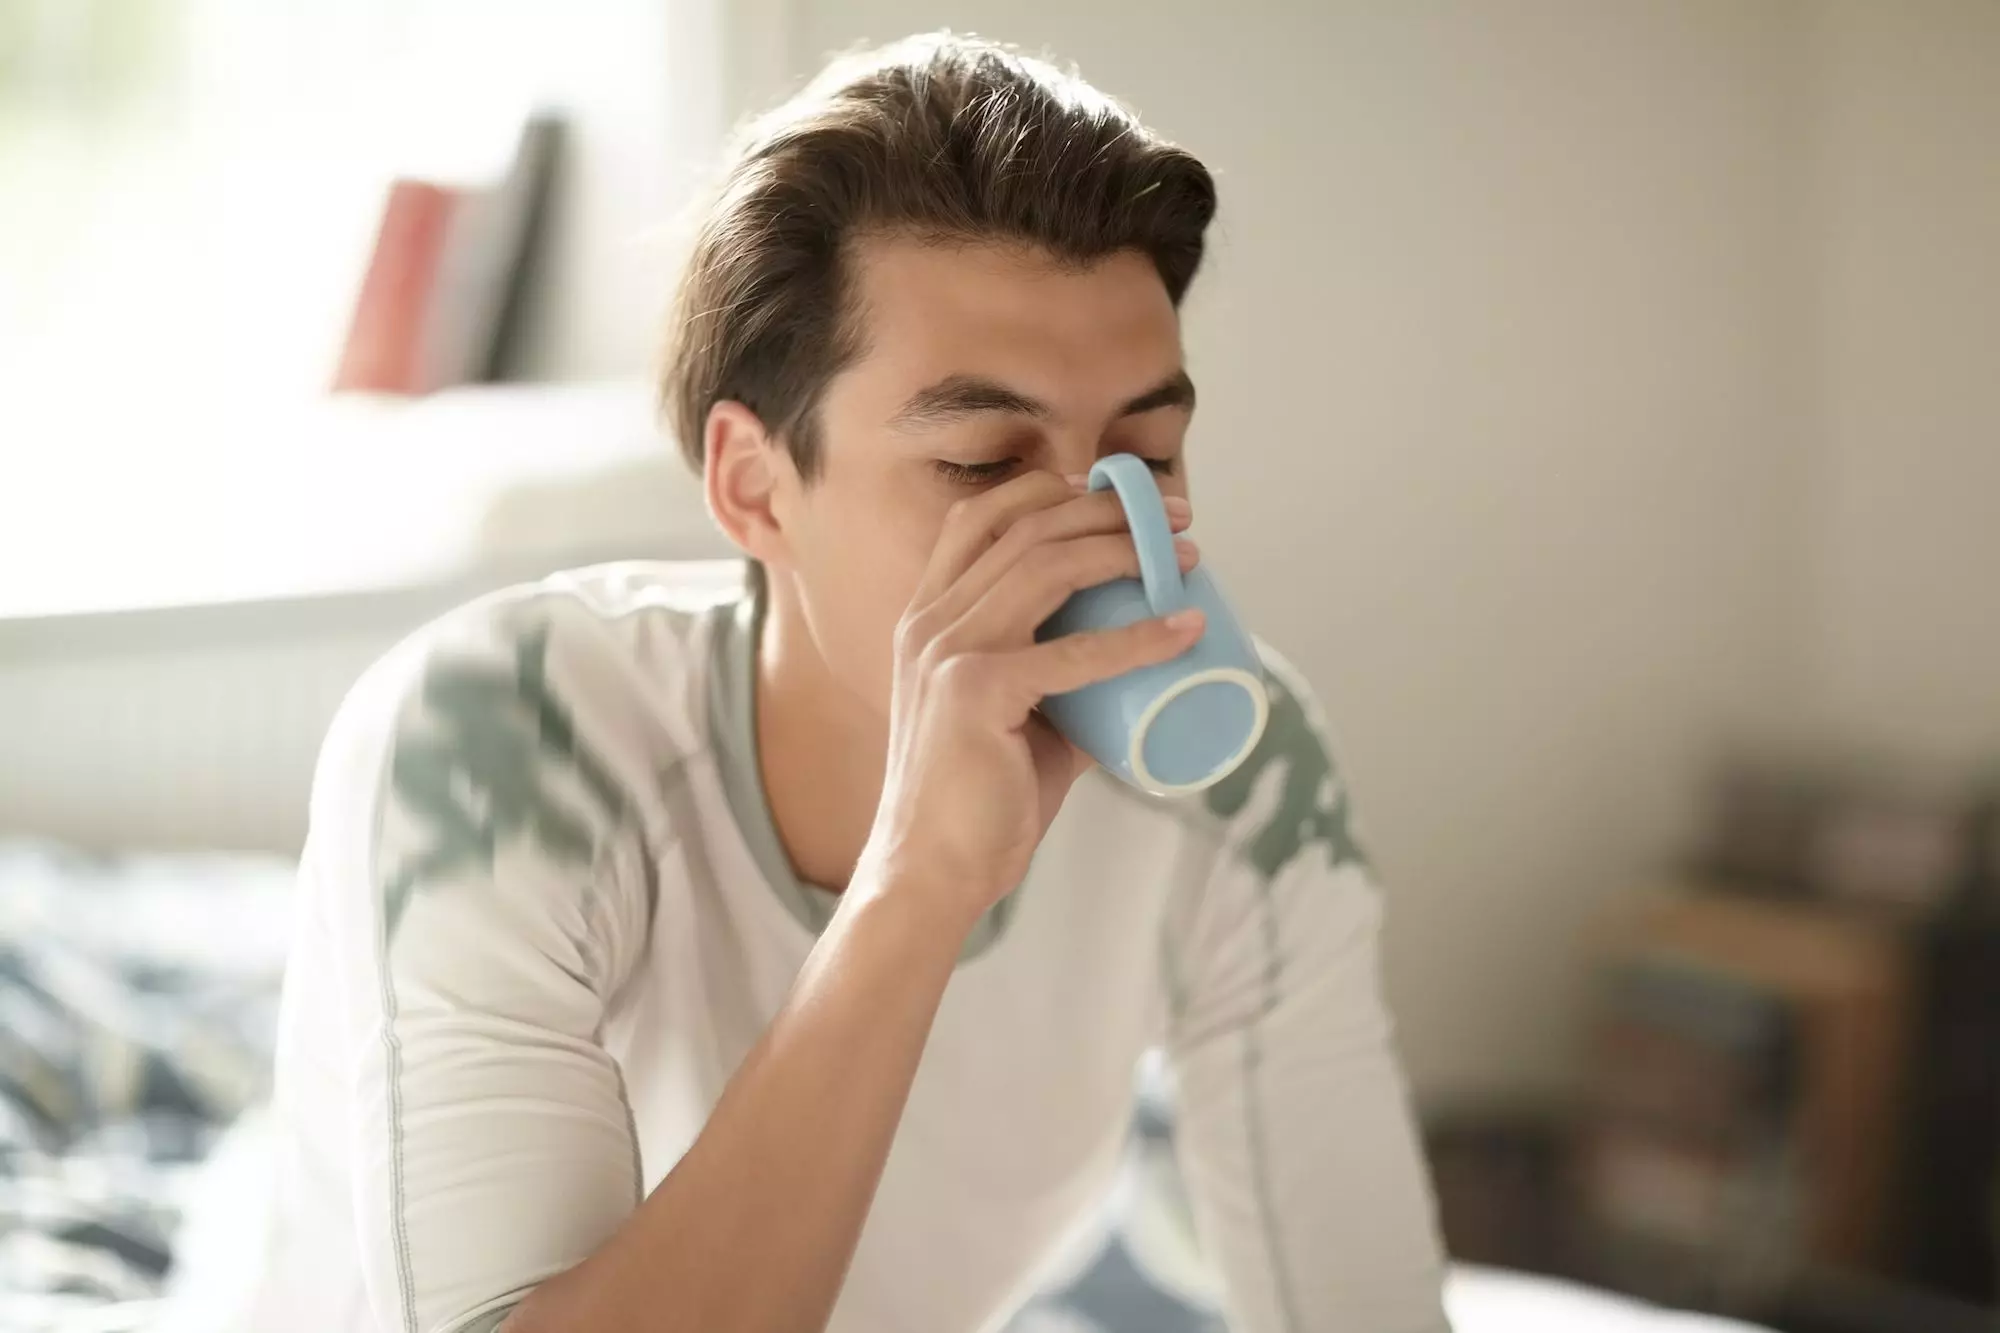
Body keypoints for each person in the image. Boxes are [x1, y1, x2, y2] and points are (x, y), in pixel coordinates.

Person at [245, 33, 1451, 1333]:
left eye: (1145, 454)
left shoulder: (1239, 779)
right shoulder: (501, 744)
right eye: (986, 464)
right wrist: (918, 886)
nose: (1094, 538)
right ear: (755, 488)